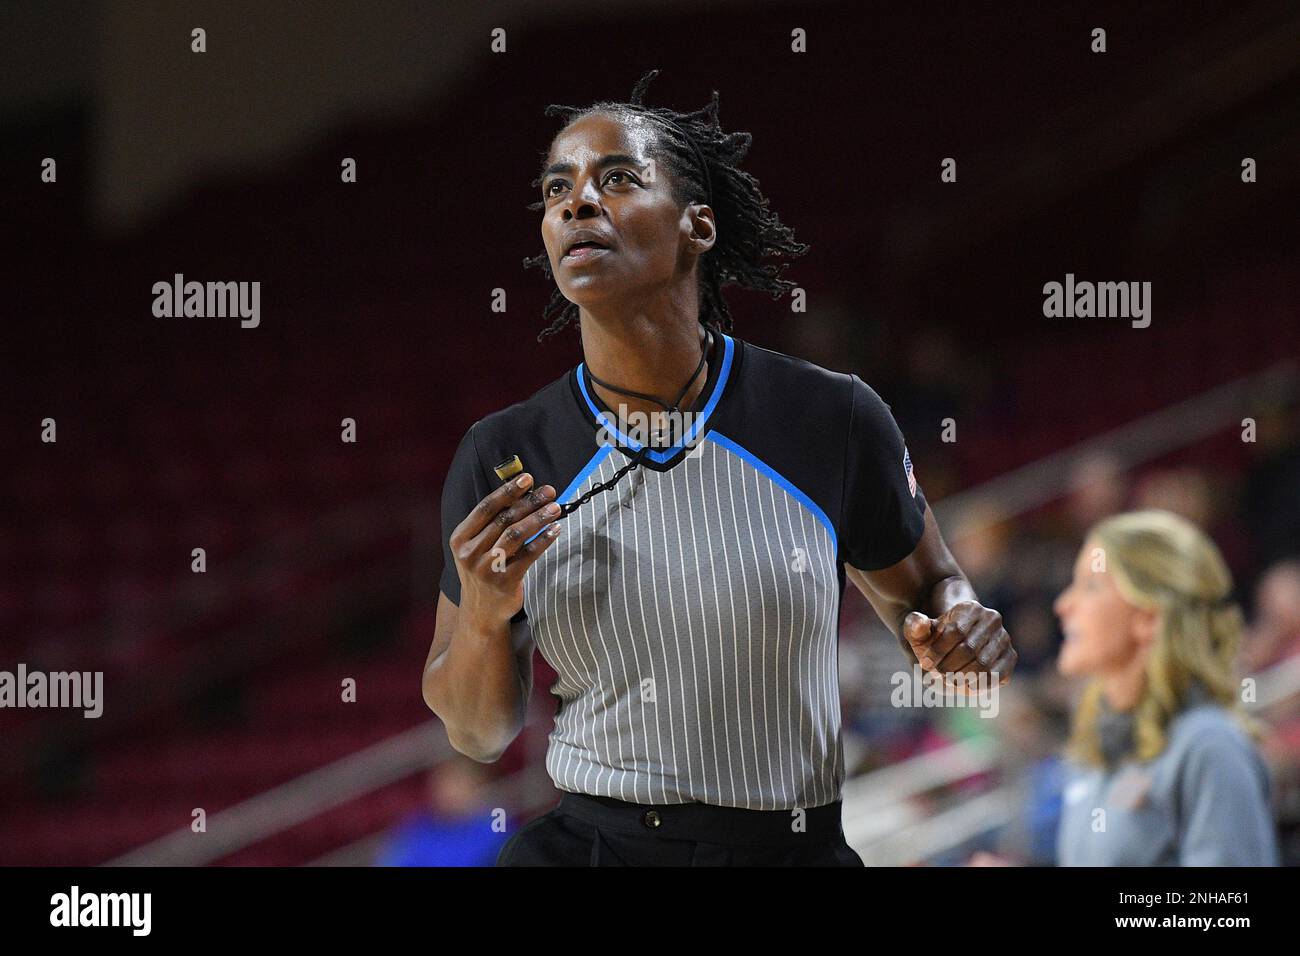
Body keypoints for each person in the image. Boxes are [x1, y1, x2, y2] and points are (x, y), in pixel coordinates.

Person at [421, 69, 1016, 867]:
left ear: (697, 226)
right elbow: (478, 732)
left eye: (618, 179)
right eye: (556, 190)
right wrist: (488, 614)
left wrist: (962, 627)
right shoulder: (503, 453)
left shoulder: (829, 418)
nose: (575, 204)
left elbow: (934, 598)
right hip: (594, 845)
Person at [1052, 509, 1279, 866]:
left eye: (1089, 585)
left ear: (1149, 617)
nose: (1063, 604)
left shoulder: (1209, 745)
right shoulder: (1094, 748)